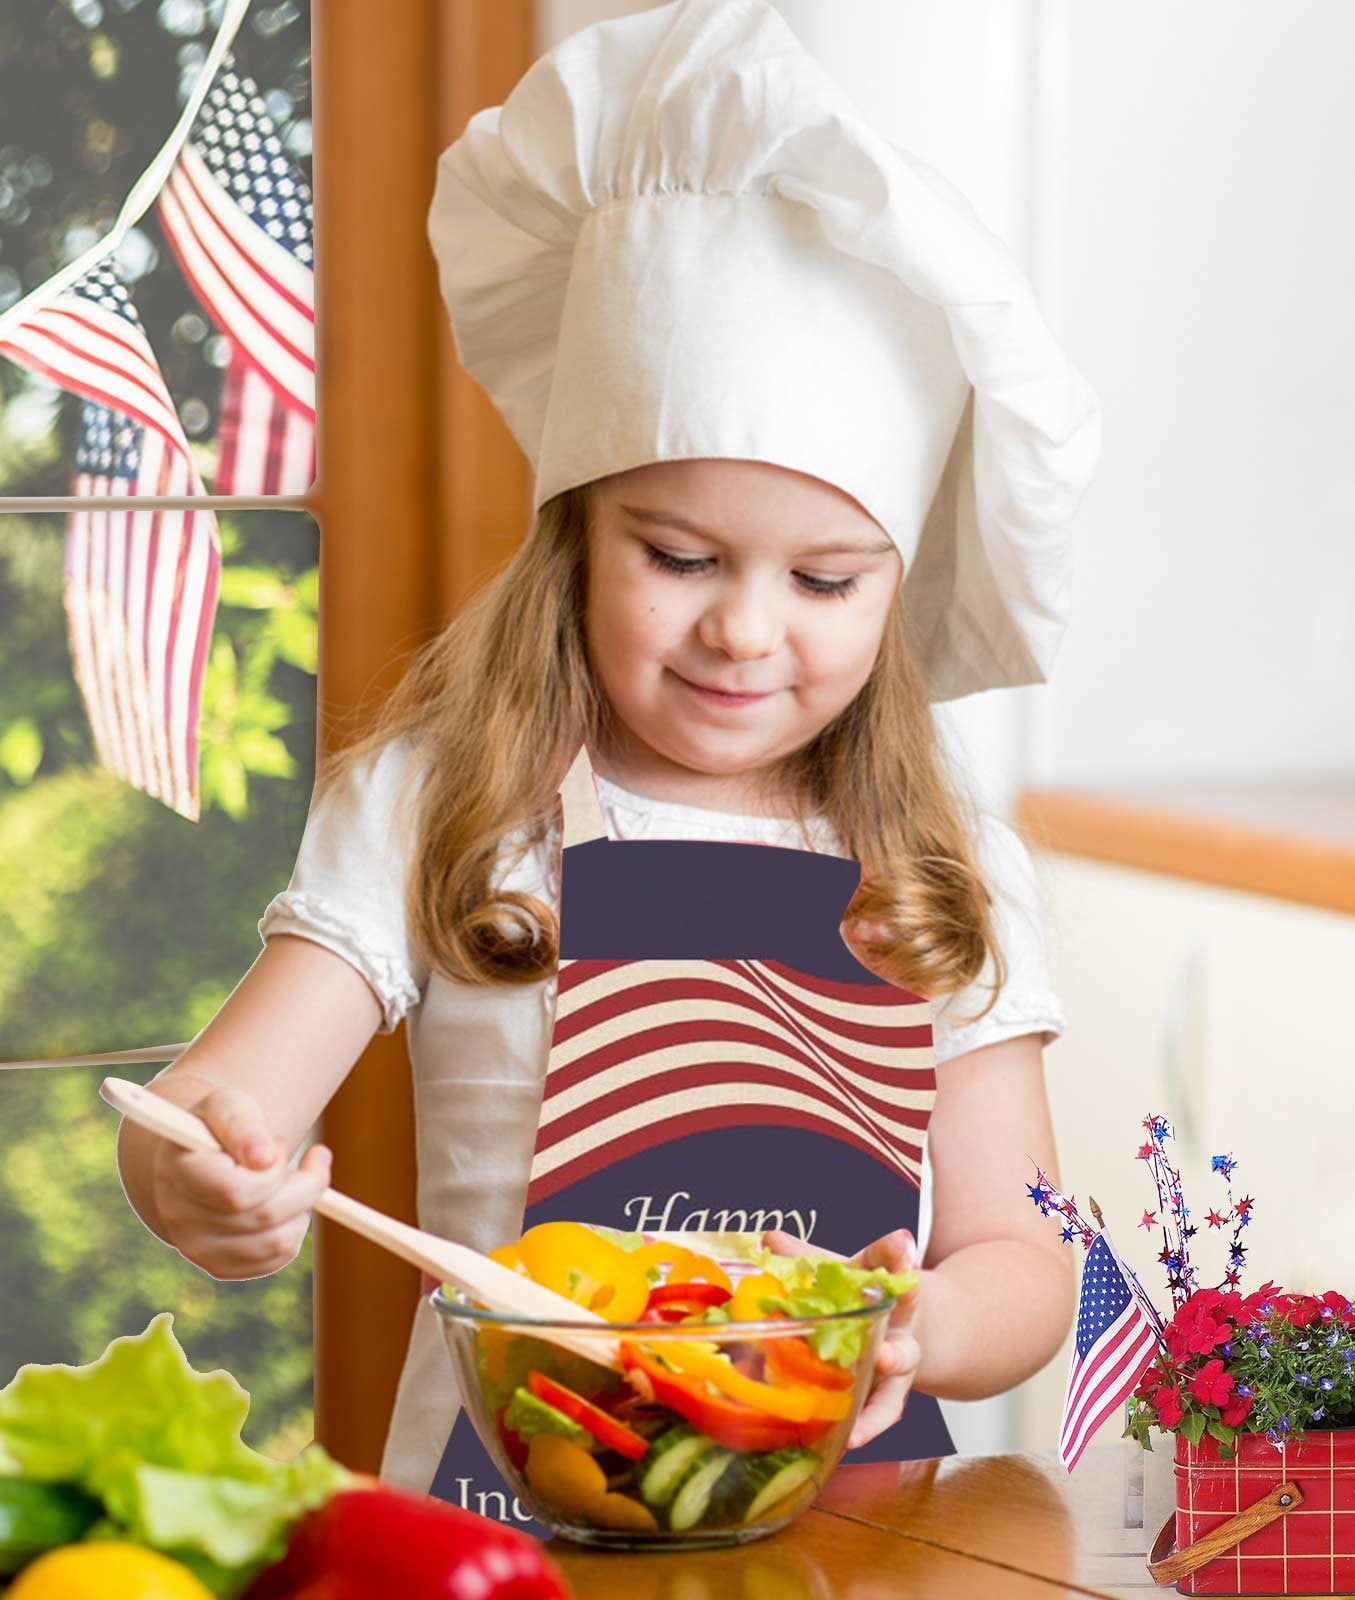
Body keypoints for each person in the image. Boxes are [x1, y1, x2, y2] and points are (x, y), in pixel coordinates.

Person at [115, 0, 1100, 1489]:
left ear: (896, 588)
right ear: (575, 536)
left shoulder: (949, 864)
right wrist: (205, 1172)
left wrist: (929, 1324)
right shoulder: (448, 805)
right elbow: (209, 1105)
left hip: (851, 1537)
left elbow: (1023, 1259)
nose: (745, 630)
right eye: (680, 557)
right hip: (509, 1525)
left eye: (825, 581)